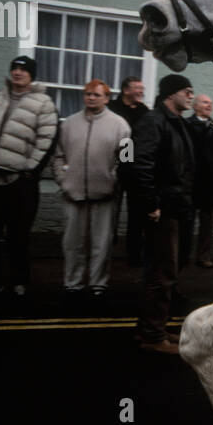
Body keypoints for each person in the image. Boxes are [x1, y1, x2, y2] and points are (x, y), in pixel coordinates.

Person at [0, 55, 59, 297]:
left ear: (32, 75)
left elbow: (47, 141)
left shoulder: (44, 103)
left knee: (18, 237)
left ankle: (19, 283)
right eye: (15, 69)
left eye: (23, 70)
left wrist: (29, 171)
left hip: (20, 182)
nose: (18, 73)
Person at [132, 74, 196, 353]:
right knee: (162, 273)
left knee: (166, 271)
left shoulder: (175, 122)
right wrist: (151, 204)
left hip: (176, 206)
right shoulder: (153, 121)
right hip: (162, 209)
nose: (191, 96)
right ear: (171, 94)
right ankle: (152, 337)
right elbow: (139, 162)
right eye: (187, 91)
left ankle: (152, 326)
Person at [53, 80, 130, 296]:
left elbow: (127, 158)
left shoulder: (121, 125)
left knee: (101, 244)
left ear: (106, 98)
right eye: (88, 94)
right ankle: (72, 283)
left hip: (105, 194)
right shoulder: (68, 124)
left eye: (96, 95)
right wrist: (63, 179)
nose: (91, 98)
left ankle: (98, 284)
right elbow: (58, 156)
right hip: (72, 193)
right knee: (72, 243)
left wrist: (114, 179)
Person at [110, 76, 150, 267]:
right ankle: (106, 249)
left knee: (136, 215)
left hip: (136, 171)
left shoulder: (144, 112)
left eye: (142, 88)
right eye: (137, 88)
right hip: (115, 167)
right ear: (126, 90)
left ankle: (134, 254)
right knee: (111, 213)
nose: (141, 91)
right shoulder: (112, 108)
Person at [185, 94, 213, 269]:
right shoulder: (187, 125)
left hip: (209, 183)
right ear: (195, 106)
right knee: (188, 221)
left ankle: (204, 255)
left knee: (207, 223)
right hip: (191, 182)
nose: (209, 105)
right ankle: (184, 254)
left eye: (211, 103)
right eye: (205, 102)